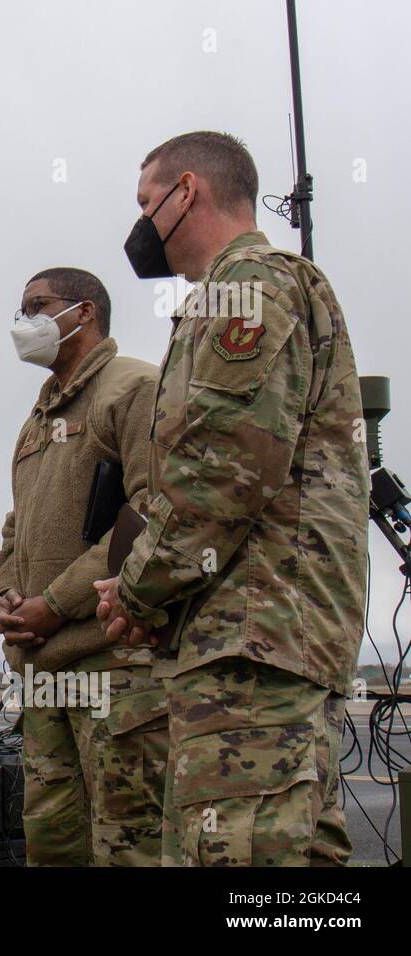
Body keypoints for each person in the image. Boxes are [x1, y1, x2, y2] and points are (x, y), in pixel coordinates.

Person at [95, 131, 368, 866]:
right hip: (264, 637)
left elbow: (221, 477)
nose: (142, 225)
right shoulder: (238, 293)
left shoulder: (246, 287)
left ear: (188, 192)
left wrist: (137, 593)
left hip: (252, 641)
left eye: (147, 203)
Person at [0, 267, 169, 865]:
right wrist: (7, 601)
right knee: (52, 843)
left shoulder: (135, 387)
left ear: (84, 312)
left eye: (37, 307)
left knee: (128, 842)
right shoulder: (36, 420)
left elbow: (149, 511)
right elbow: (16, 527)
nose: (26, 324)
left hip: (113, 662)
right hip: (44, 672)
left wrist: (56, 604)